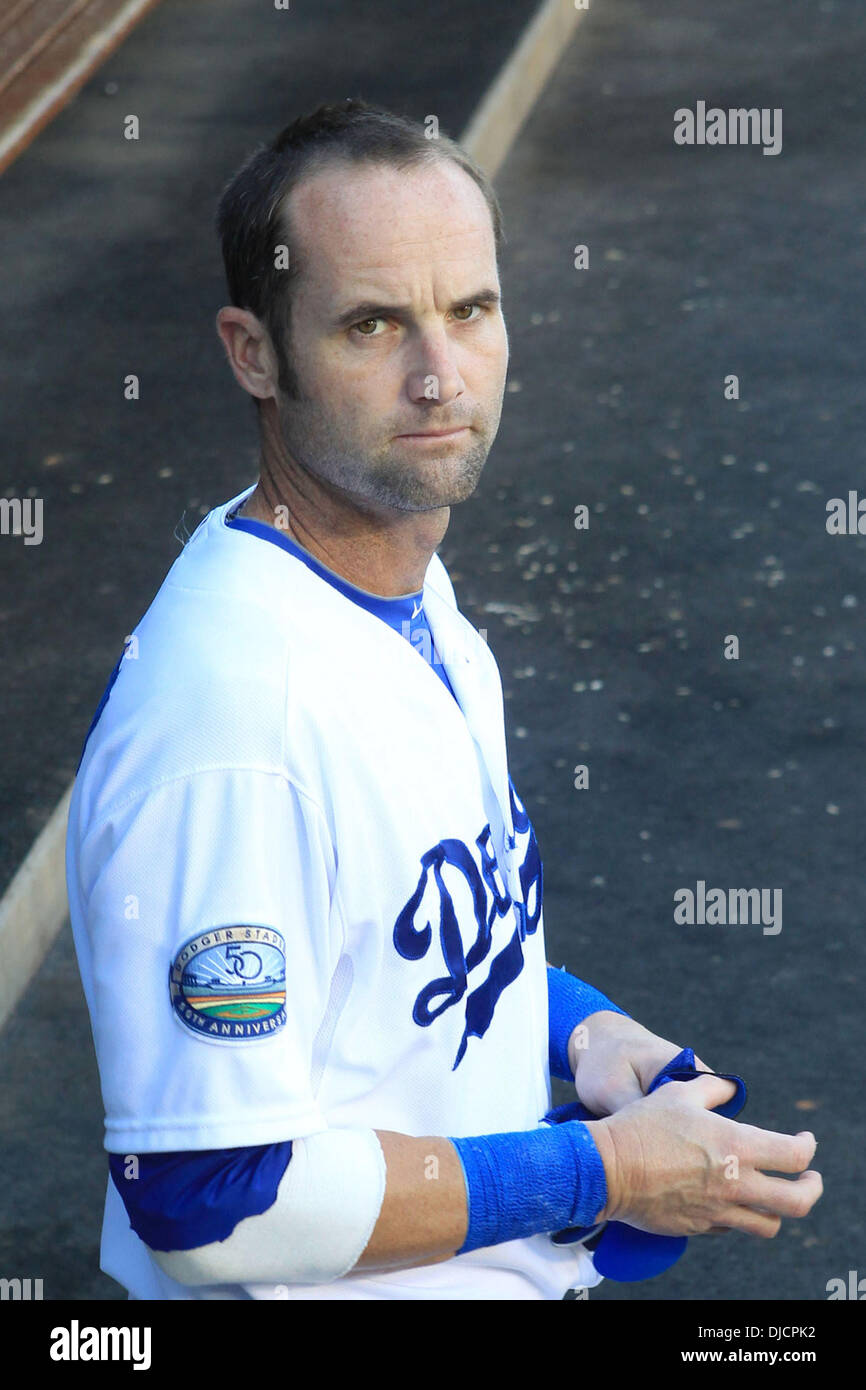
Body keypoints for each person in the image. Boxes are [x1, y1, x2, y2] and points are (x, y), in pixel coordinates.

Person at [65, 99, 822, 1301]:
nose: (438, 375)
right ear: (251, 350)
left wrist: (578, 1036)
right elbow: (207, 1200)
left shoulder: (401, 584)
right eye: (371, 325)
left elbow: (395, 964)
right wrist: (602, 1172)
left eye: (468, 311)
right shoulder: (231, 730)